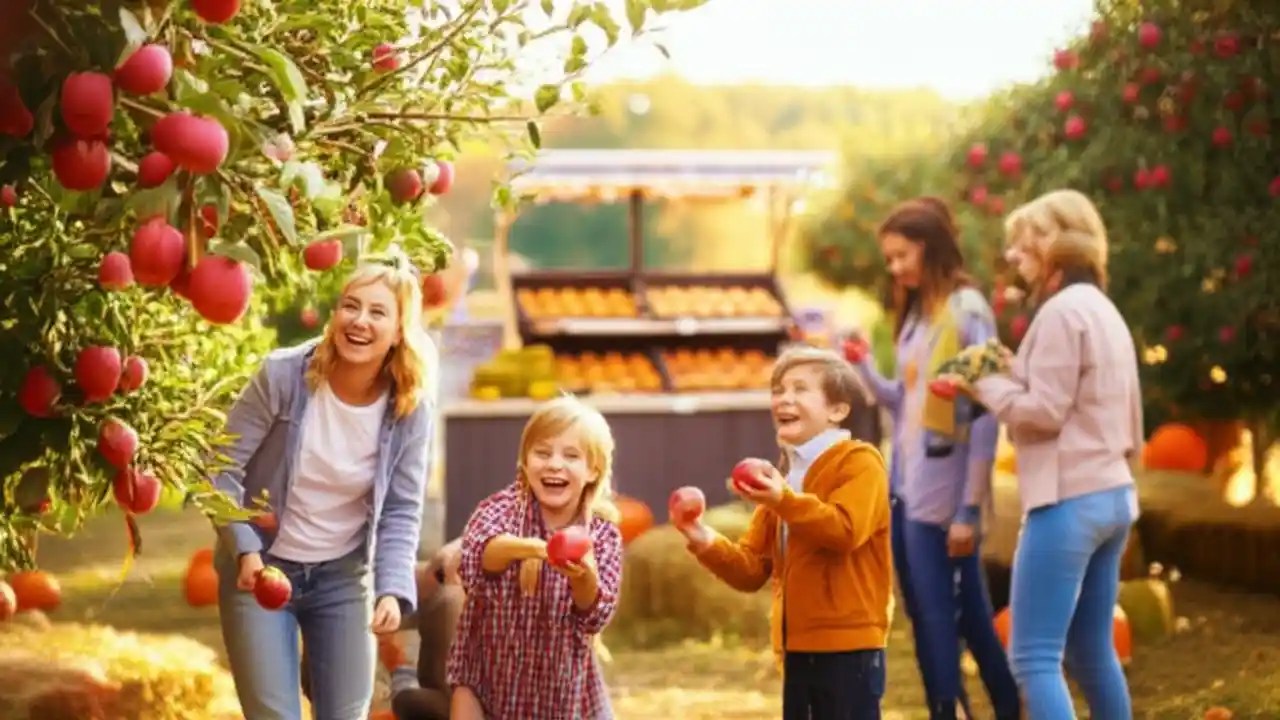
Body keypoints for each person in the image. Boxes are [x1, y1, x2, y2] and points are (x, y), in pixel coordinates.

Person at [212, 252, 436, 720]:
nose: (359, 321)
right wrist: (244, 548)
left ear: (399, 332)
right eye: (350, 305)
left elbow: (401, 507)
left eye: (378, 312)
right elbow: (219, 467)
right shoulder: (283, 376)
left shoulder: (409, 407)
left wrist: (391, 588)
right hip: (261, 570)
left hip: (343, 577)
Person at [970, 189, 1141, 719]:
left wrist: (981, 383)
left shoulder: (1061, 313)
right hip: (1113, 496)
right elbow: (1078, 395)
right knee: (1091, 650)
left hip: (1068, 501)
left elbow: (1043, 412)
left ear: (1054, 247)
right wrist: (1010, 368)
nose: (1015, 259)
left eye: (1023, 247)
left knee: (1033, 657)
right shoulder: (1101, 310)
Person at [849, 197, 1019, 719]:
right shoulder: (920, 316)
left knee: (936, 619)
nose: (895, 268)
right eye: (890, 259)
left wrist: (970, 509)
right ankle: (1012, 708)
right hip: (907, 485)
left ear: (927, 246)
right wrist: (862, 369)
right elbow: (907, 401)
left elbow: (985, 413)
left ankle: (950, 712)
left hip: (943, 500)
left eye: (901, 256)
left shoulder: (968, 313)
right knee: (964, 616)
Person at [675, 345, 892, 719]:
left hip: (850, 648)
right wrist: (703, 538)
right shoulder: (783, 479)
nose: (783, 399)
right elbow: (751, 569)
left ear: (837, 410)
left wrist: (783, 499)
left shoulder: (859, 463)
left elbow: (845, 530)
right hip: (796, 647)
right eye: (778, 390)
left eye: (799, 389)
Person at [446, 396, 623, 720]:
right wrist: (535, 548)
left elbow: (595, 613)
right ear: (525, 463)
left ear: (593, 471)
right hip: (485, 685)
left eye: (571, 456)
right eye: (542, 453)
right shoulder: (500, 510)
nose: (555, 464)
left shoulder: (601, 534)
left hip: (563, 697)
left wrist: (583, 575)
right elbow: (480, 557)